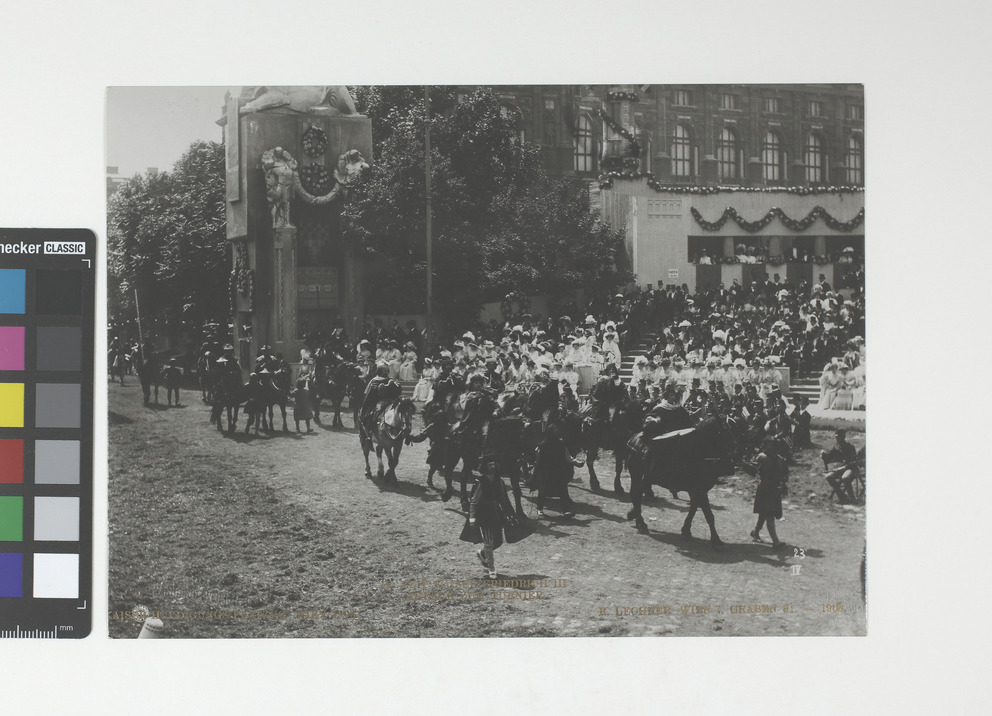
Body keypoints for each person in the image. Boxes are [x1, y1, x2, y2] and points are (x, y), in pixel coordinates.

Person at [461, 460, 518, 580]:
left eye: (494, 464)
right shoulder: (481, 481)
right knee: (489, 542)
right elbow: (474, 501)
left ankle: (482, 554)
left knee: (498, 541)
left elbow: (503, 499)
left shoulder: (499, 481)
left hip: (496, 513)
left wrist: (509, 513)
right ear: (485, 467)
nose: (492, 467)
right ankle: (491, 569)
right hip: (484, 514)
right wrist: (472, 518)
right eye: (490, 465)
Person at [534, 424, 582, 518]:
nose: (556, 434)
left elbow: (568, 457)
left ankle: (566, 511)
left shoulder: (561, 444)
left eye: (557, 432)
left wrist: (577, 463)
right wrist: (537, 466)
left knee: (563, 489)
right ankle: (540, 510)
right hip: (545, 471)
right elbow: (538, 458)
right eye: (554, 432)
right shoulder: (542, 445)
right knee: (543, 491)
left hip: (558, 471)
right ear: (549, 433)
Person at [750, 438, 788, 547]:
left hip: (775, 490)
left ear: (776, 447)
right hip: (765, 489)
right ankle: (775, 541)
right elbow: (752, 469)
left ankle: (755, 532)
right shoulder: (761, 457)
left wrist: (783, 484)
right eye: (766, 445)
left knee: (764, 513)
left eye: (771, 445)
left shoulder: (780, 460)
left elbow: (785, 474)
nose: (768, 448)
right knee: (769, 514)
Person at [822, 429, 860, 503]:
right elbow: (830, 457)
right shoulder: (836, 447)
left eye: (838, 437)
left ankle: (852, 498)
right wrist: (824, 455)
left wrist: (843, 467)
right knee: (828, 477)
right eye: (836, 437)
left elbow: (853, 462)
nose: (837, 439)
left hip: (850, 468)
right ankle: (842, 497)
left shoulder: (850, 447)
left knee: (845, 478)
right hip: (839, 469)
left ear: (843, 437)